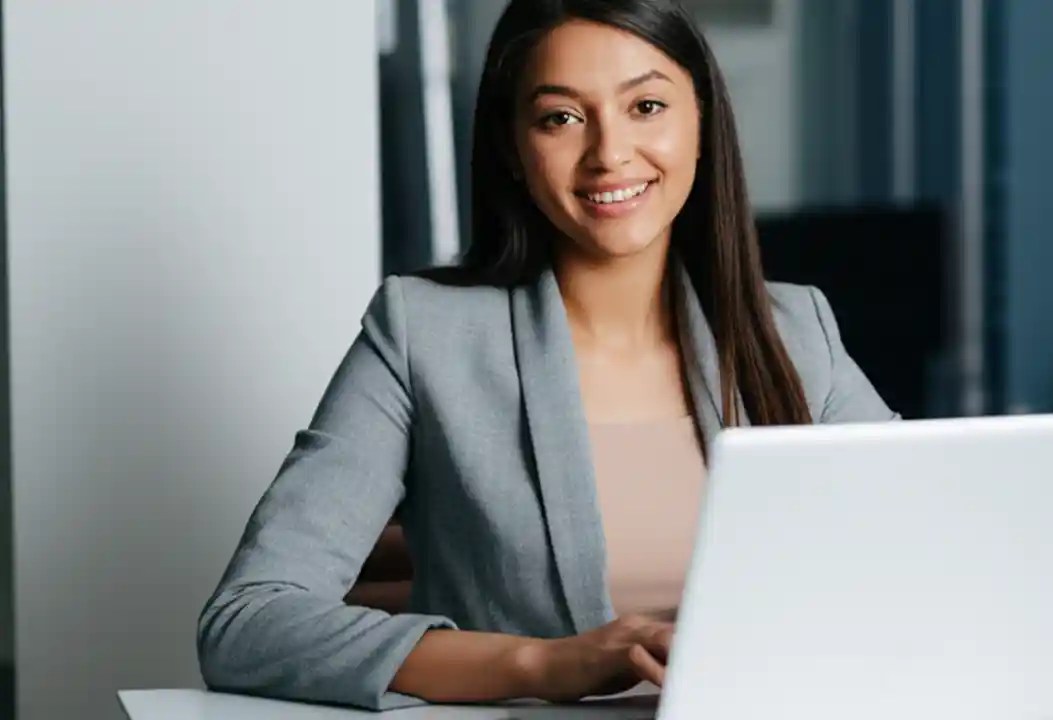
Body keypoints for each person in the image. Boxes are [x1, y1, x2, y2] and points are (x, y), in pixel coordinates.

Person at [196, 0, 897, 711]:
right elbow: (248, 621)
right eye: (561, 117)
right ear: (512, 146)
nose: (610, 154)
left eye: (647, 106)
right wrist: (543, 665)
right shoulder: (424, 334)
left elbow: (938, 549)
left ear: (704, 124)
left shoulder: (795, 330)